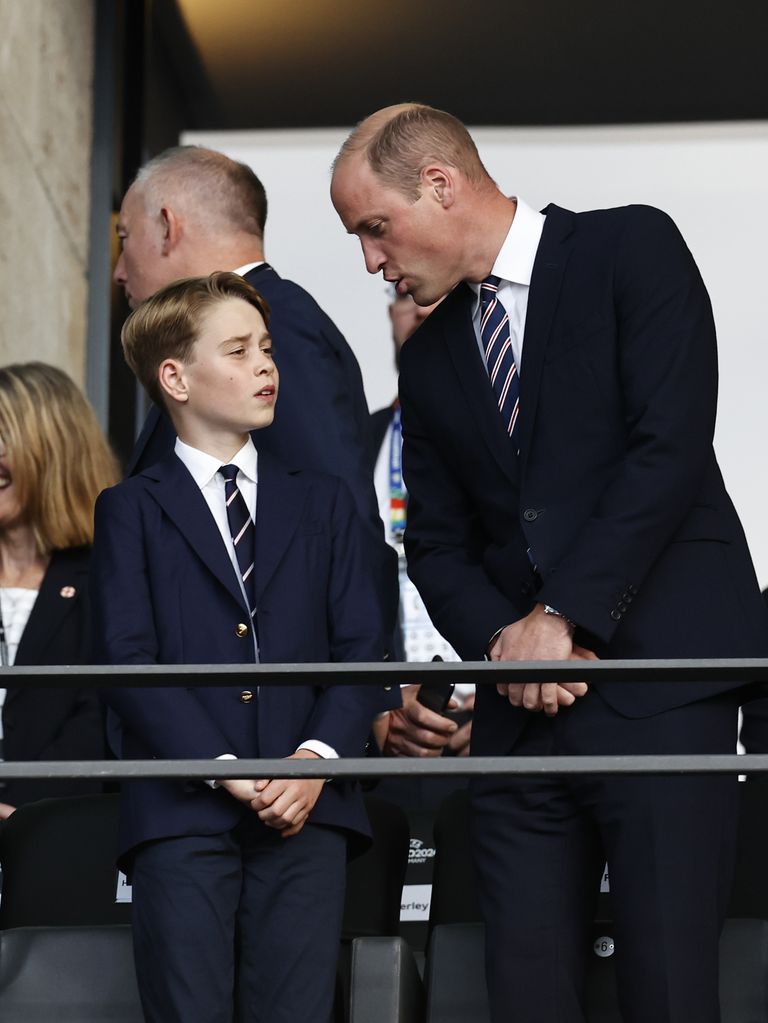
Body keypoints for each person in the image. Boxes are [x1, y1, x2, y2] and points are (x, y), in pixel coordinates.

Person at [331, 103, 768, 1023]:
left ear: (439, 185)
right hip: (520, 720)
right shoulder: (432, 356)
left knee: (670, 989)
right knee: (523, 993)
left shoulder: (629, 249)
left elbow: (669, 447)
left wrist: (562, 616)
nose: (371, 260)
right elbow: (434, 542)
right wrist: (508, 643)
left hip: (660, 688)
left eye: (375, 227)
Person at [91, 271, 398, 1023]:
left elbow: (364, 647)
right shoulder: (130, 509)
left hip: (309, 807)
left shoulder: (324, 500)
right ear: (175, 378)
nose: (265, 364)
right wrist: (222, 765)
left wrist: (316, 758)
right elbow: (126, 663)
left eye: (266, 347)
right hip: (181, 812)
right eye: (237, 350)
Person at [114, 145, 397, 642]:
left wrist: (368, 673)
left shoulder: (281, 324)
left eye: (124, 237)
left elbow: (339, 521)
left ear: (167, 226)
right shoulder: (262, 322)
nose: (118, 269)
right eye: (240, 351)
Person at [0, 362, 118, 816]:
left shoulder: (108, 573)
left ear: (53, 448)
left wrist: (19, 811)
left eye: (4, 435)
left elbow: (103, 716)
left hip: (54, 831)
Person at [369, 290, 474, 762]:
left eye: (437, 294)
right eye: (405, 296)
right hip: (395, 728)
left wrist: (505, 700)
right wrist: (378, 702)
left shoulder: (516, 436)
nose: (421, 308)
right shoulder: (355, 442)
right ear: (391, 314)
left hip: (505, 712)